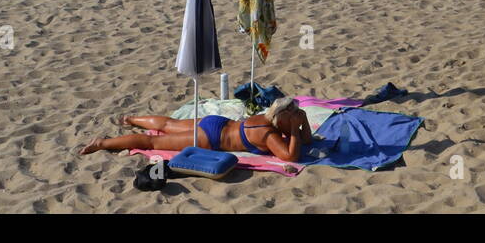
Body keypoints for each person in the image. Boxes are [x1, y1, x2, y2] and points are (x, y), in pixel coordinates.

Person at [81, 96, 312, 161]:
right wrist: (294, 130)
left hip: (216, 122)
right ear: (283, 119)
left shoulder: (267, 116)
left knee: (167, 125)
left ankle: (132, 118)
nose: (296, 119)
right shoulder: (269, 134)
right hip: (211, 136)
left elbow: (307, 140)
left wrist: (303, 123)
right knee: (152, 143)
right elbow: (291, 156)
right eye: (293, 116)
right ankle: (102, 143)